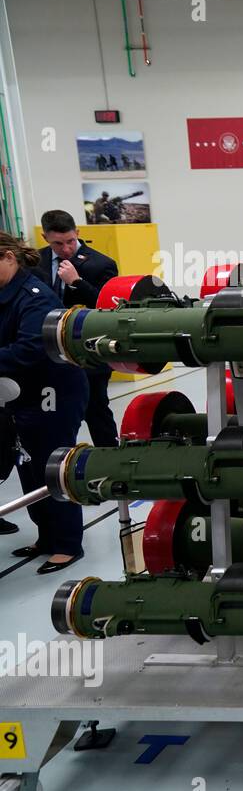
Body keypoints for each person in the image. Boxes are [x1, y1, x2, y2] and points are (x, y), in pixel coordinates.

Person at [0, 232, 88, 571]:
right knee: (28, 465)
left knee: (54, 465)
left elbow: (30, 349)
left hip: (54, 392)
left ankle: (67, 543)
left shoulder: (35, 297)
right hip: (21, 395)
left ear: (8, 256)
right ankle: (46, 535)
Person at [32, 209, 119, 448]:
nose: (67, 249)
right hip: (48, 351)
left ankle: (109, 456)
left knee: (96, 408)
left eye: (71, 241)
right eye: (58, 244)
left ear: (78, 233)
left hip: (87, 350)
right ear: (45, 237)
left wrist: (76, 282)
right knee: (53, 412)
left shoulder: (102, 264)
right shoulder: (34, 263)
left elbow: (105, 306)